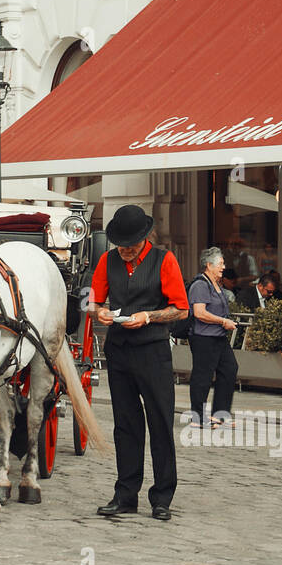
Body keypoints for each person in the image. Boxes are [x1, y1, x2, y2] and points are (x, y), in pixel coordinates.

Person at [88, 204, 189, 521]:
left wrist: (149, 316)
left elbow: (181, 309)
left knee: (160, 423)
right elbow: (92, 301)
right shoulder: (107, 260)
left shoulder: (164, 260)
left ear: (144, 238)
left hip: (153, 351)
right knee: (126, 426)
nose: (126, 251)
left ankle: (162, 497)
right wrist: (99, 312)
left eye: (131, 245)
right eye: (122, 245)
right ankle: (125, 495)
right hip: (119, 350)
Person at [187, 247, 239, 428]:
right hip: (203, 337)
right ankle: (197, 417)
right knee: (203, 376)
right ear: (209, 265)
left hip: (218, 337)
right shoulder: (200, 285)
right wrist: (223, 321)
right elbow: (199, 313)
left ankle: (220, 415)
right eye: (220, 263)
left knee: (230, 369)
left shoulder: (217, 284)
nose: (223, 267)